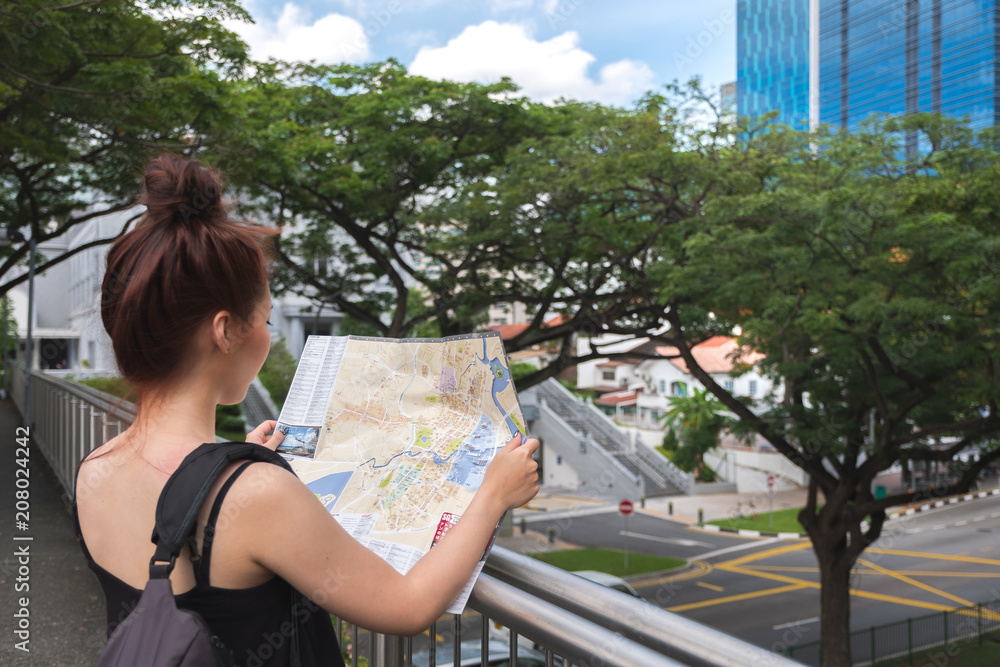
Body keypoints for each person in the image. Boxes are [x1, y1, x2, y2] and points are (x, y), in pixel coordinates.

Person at [72, 154, 540, 666]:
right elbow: (407, 606)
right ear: (225, 330)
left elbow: (177, 539)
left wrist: (225, 469)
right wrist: (493, 494)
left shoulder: (96, 469)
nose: (268, 336)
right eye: (265, 319)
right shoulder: (257, 494)